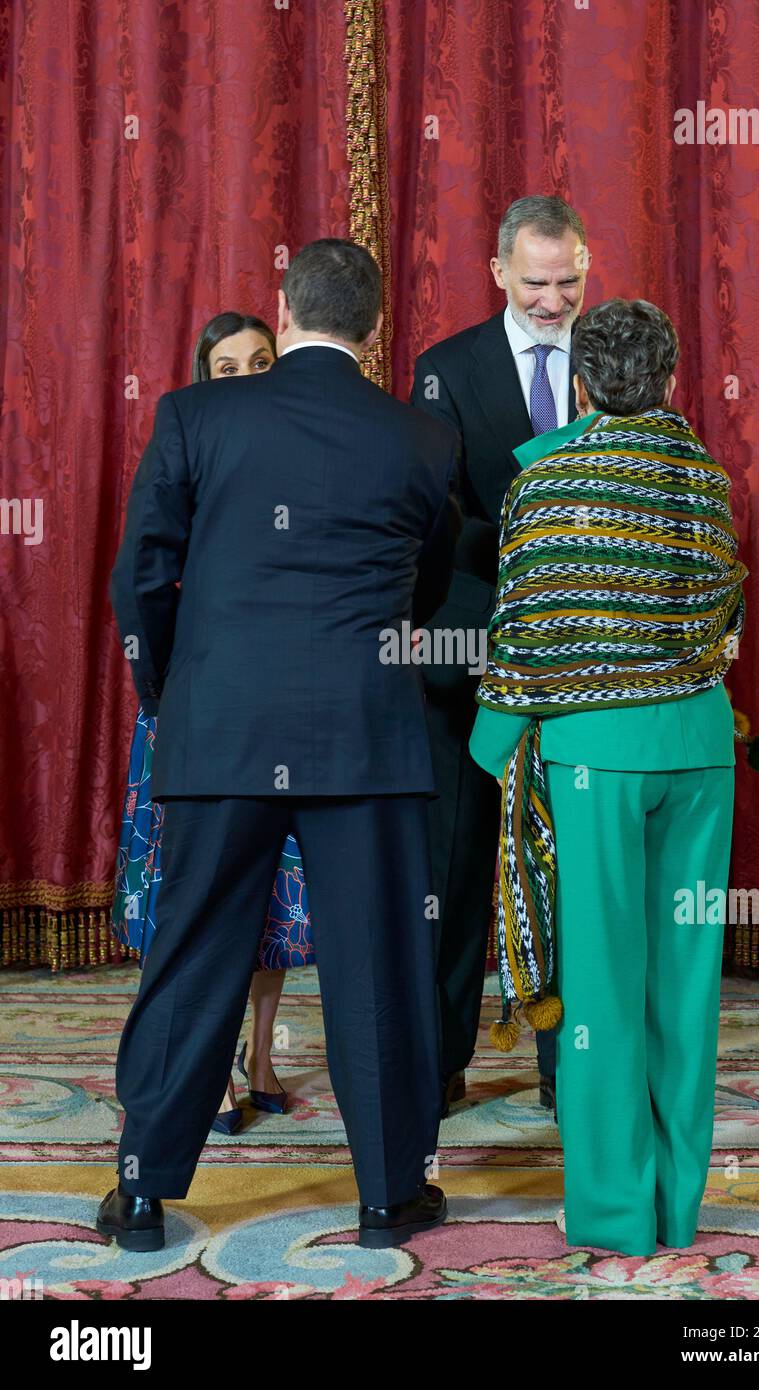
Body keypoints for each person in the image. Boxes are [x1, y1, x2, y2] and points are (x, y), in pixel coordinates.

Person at [99, 238, 460, 1253]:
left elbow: (140, 579)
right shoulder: (421, 440)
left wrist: (175, 694)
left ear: (283, 307)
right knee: (380, 966)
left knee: (192, 955)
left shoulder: (195, 414)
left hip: (223, 728)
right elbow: (425, 591)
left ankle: (139, 1193)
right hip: (366, 734)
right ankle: (391, 1194)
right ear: (373, 326)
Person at [470, 298, 747, 1256]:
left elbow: (528, 628)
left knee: (600, 992)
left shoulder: (545, 484)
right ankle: (677, 1207)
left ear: (581, 384)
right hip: (704, 752)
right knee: (685, 989)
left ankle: (614, 1213)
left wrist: (490, 743)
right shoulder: (706, 476)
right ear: (669, 379)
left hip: (600, 759)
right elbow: (721, 615)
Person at [410, 196, 591, 1116]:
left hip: (585, 675)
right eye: (537, 283)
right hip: (468, 665)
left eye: (569, 280)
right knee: (453, 873)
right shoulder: (444, 372)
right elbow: (430, 525)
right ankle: (441, 1060)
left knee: (571, 877)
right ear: (498, 276)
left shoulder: (616, 362)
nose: (556, 300)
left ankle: (569, 1067)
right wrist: (528, 544)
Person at [111, 312, 312, 1137]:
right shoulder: (185, 450)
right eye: (227, 366)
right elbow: (142, 580)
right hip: (193, 708)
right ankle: (210, 1066)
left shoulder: (302, 453)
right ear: (204, 378)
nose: (246, 375)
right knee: (197, 902)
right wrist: (161, 695)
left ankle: (260, 1057)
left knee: (275, 898)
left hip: (286, 710)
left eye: (261, 361)